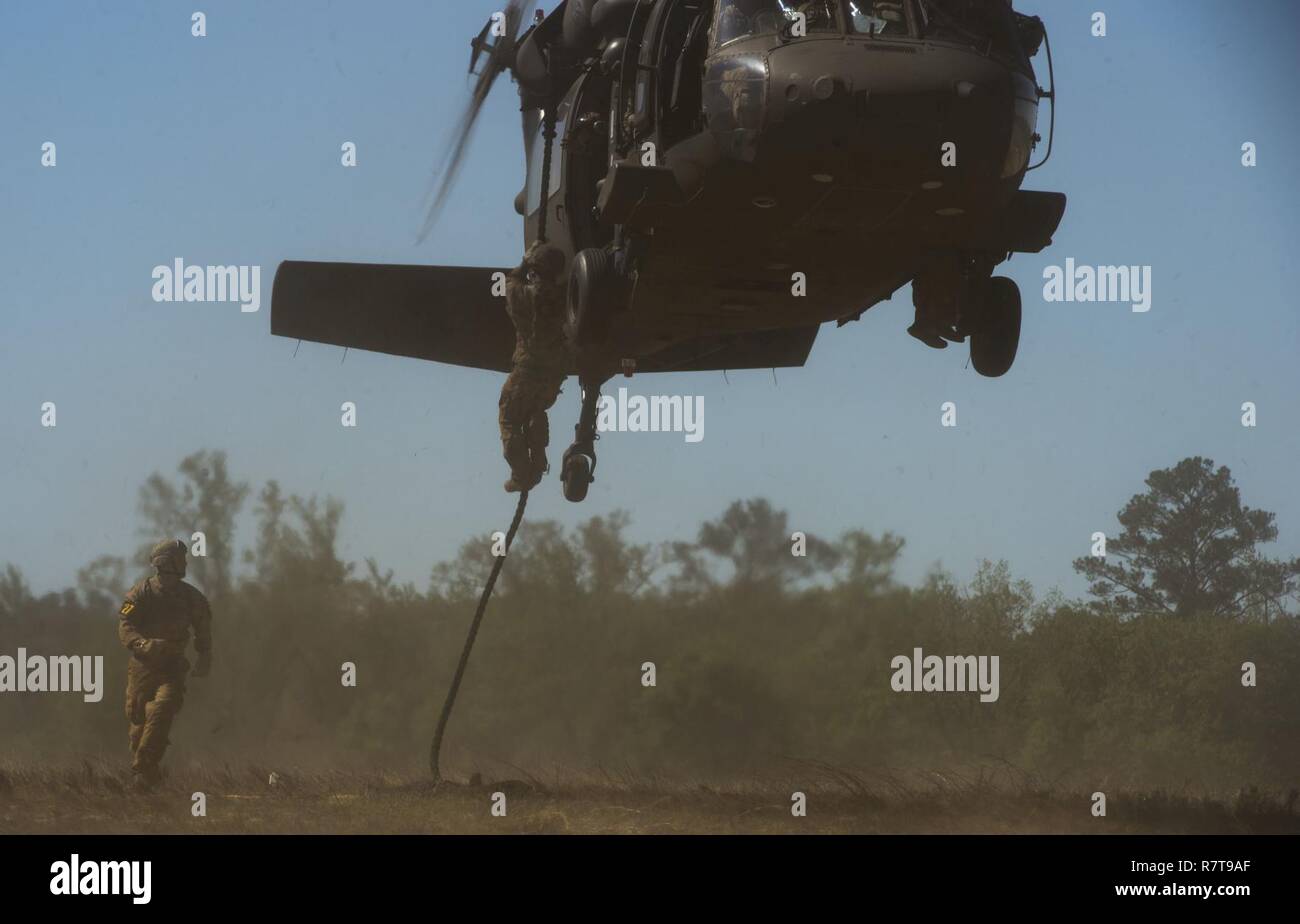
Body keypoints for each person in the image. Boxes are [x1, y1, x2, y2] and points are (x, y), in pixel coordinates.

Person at [117, 539, 212, 790]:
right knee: (138, 723)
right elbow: (125, 624)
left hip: (172, 666)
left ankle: (142, 770)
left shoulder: (192, 598)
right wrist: (140, 644)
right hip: (142, 667)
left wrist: (204, 656)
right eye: (182, 558)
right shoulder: (139, 593)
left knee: (162, 710)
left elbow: (203, 629)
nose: (186, 563)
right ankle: (149, 774)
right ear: (167, 561)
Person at [499, 241, 570, 492]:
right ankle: (538, 461)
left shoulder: (522, 294)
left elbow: (510, 281)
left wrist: (526, 260)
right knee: (535, 412)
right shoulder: (566, 296)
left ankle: (523, 474)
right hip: (553, 374)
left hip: (527, 372)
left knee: (509, 420)